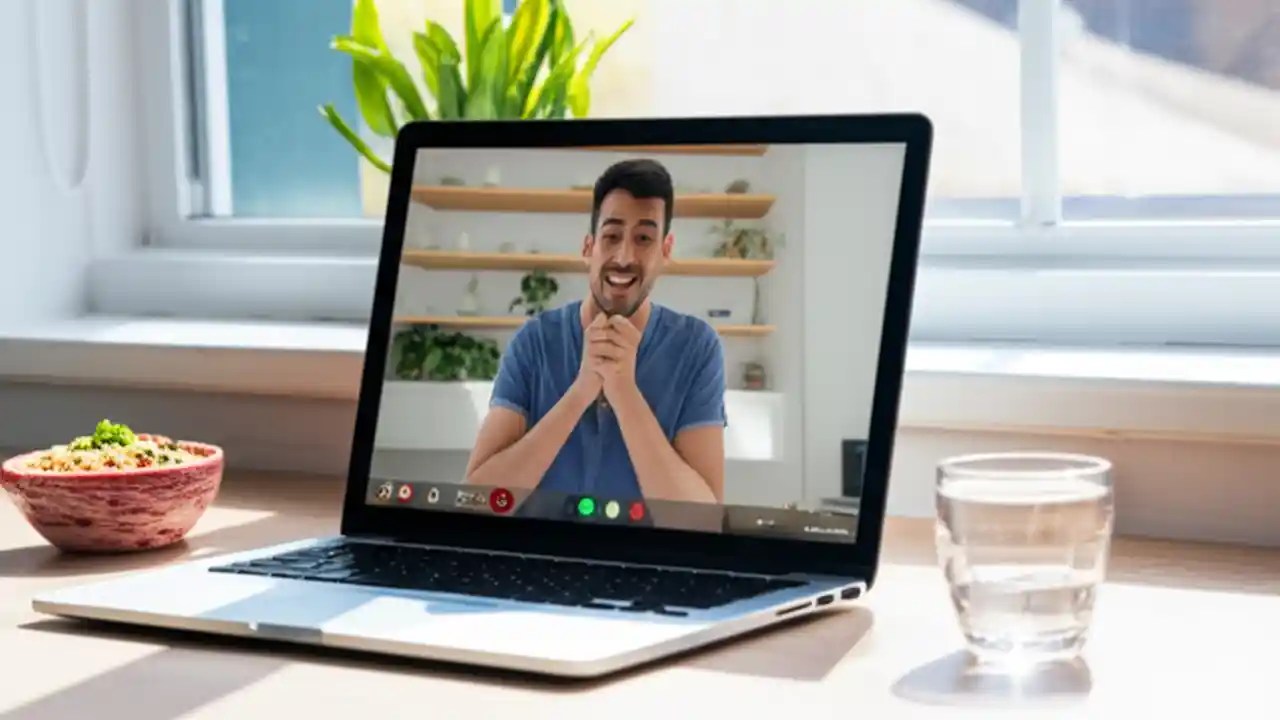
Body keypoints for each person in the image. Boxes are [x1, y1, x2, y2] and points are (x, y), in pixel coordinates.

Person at [465, 158, 726, 506]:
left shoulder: (697, 348)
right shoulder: (535, 342)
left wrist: (623, 391)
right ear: (589, 247)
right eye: (612, 236)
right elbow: (476, 502)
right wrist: (581, 390)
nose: (624, 256)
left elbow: (701, 521)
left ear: (665, 251)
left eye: (644, 238)